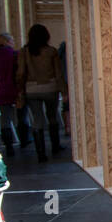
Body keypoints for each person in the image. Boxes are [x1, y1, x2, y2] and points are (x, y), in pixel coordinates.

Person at [16, 24, 68, 163]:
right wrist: (64, 91)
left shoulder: (24, 51)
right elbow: (59, 73)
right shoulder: (51, 52)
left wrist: (20, 90)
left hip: (31, 88)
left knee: (37, 119)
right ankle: (55, 146)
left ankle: (41, 153)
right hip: (50, 88)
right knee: (52, 116)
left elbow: (21, 73)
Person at [0, 33, 19, 155]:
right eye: (12, 40)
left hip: (1, 89)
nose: (13, 42)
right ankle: (23, 139)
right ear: (7, 41)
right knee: (20, 117)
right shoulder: (14, 54)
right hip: (14, 88)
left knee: (5, 119)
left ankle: (8, 146)